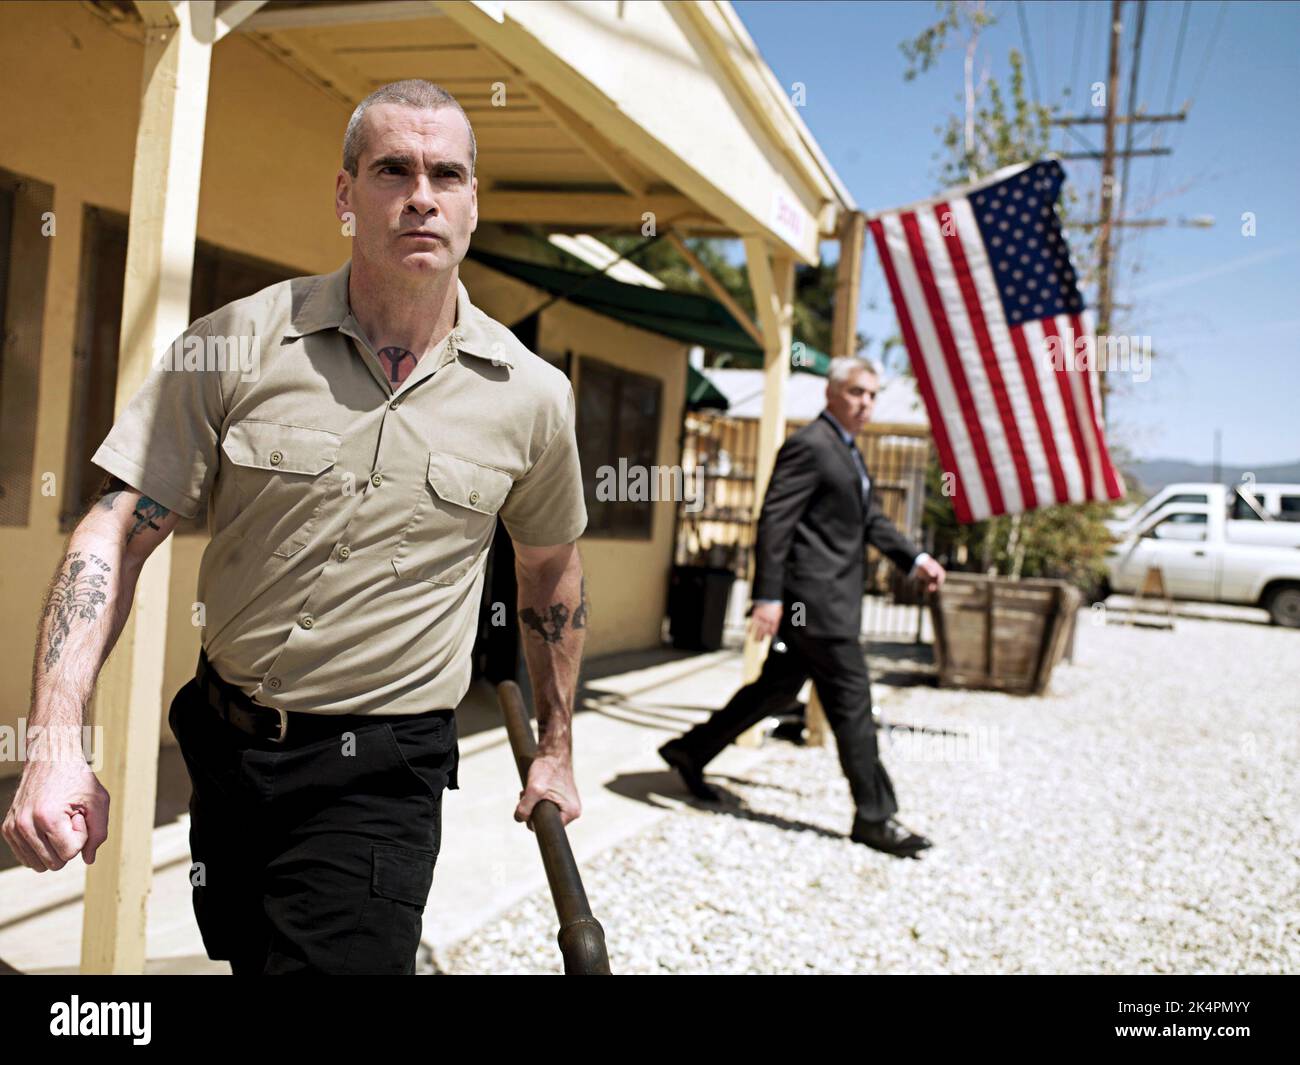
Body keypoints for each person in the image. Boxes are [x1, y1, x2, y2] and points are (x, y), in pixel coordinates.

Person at [2, 80, 589, 973]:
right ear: (347, 196)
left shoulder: (533, 397)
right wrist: (51, 746)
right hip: (227, 749)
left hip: (382, 772)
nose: (422, 194)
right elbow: (114, 530)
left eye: (447, 174)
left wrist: (556, 748)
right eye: (393, 168)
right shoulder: (235, 344)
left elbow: (549, 572)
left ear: (474, 203)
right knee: (248, 954)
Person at [659, 356, 945, 859]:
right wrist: (767, 596)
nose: (867, 403)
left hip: (826, 605)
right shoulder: (810, 446)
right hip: (815, 606)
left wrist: (915, 557)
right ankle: (875, 818)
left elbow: (871, 520)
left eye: (873, 395)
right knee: (853, 706)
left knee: (776, 689)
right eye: (858, 392)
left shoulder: (848, 451)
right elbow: (774, 522)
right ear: (831, 393)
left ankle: (690, 750)